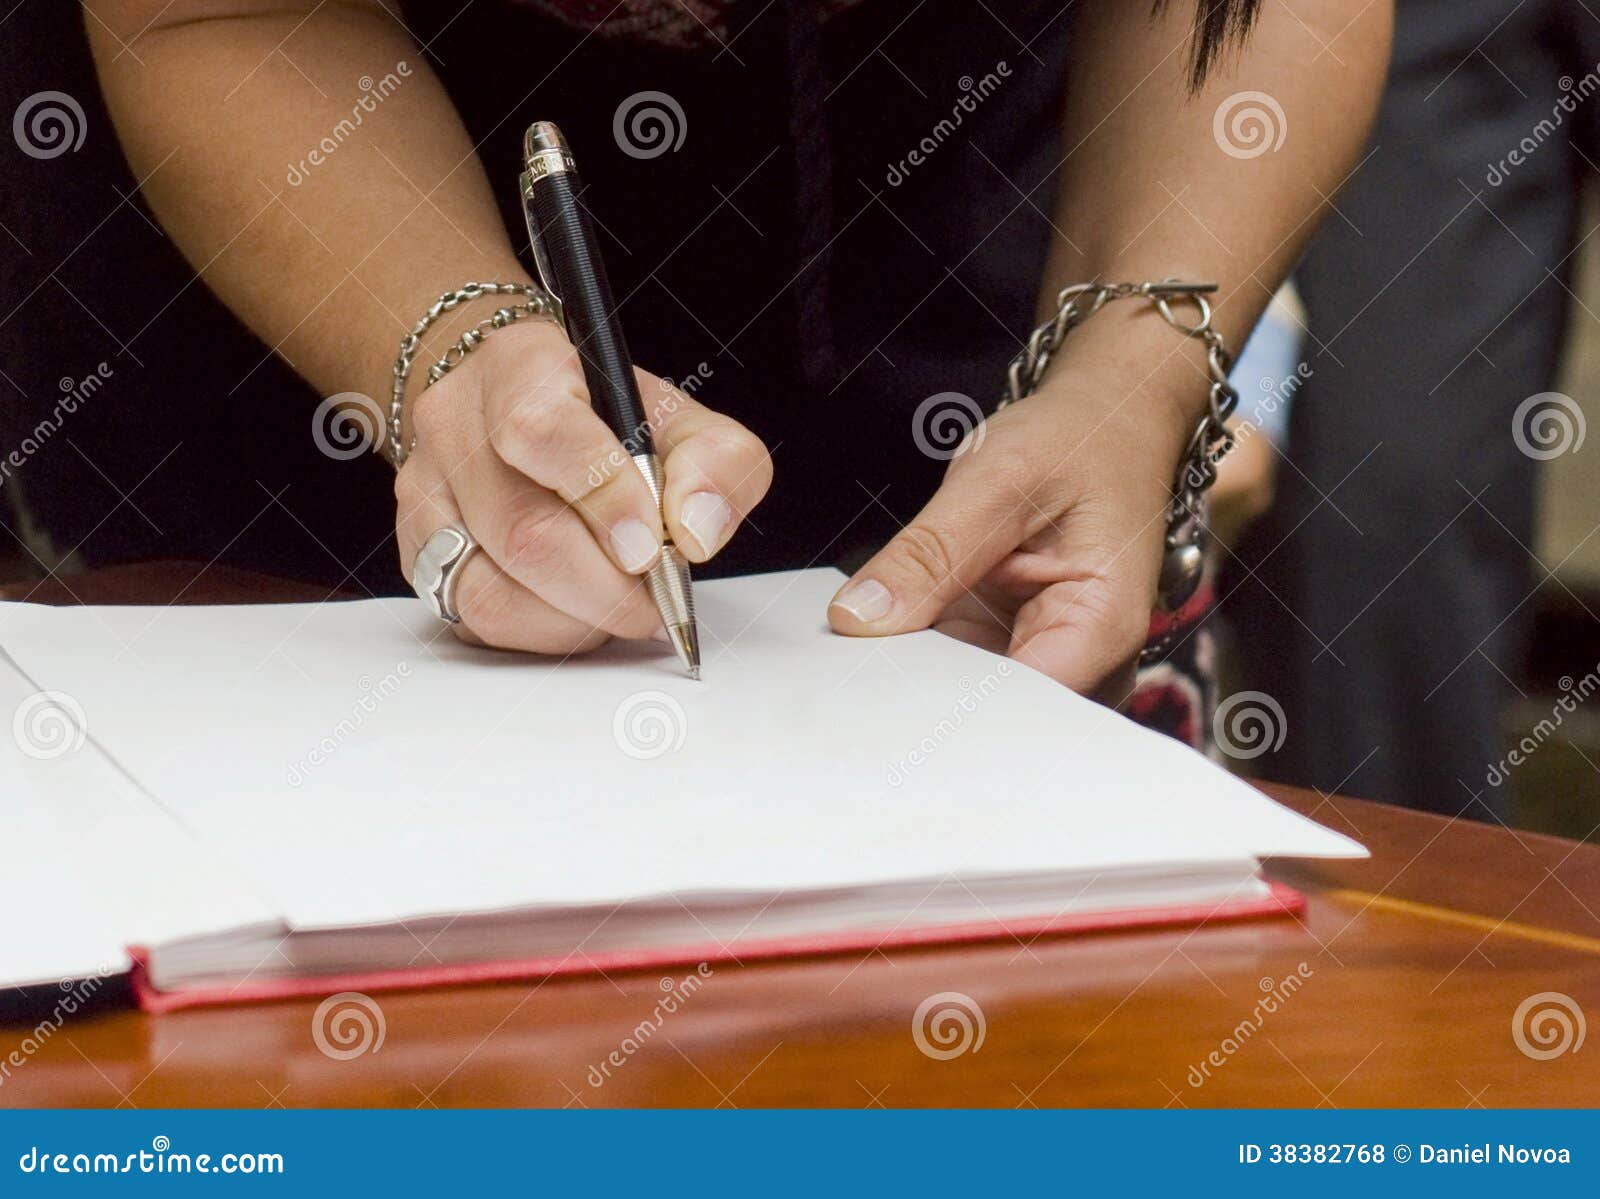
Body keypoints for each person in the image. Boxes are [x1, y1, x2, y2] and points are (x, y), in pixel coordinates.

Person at [60, 0, 1388, 715]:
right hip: (314, 249)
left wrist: (1130, 374)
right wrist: (452, 346)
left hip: (989, 210)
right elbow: (215, 13)